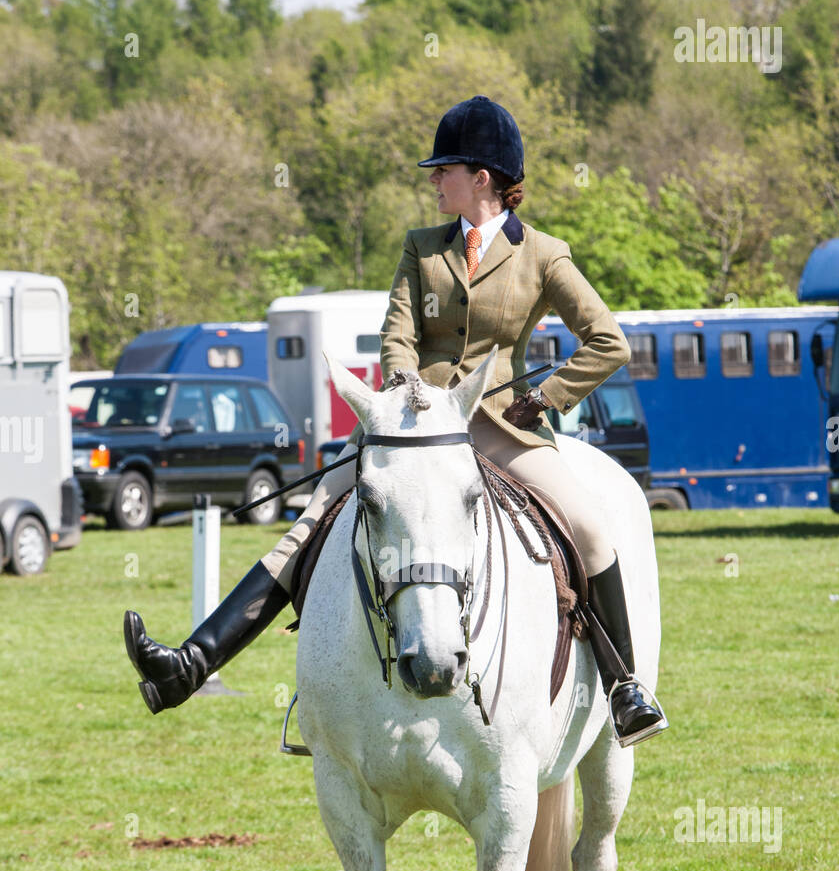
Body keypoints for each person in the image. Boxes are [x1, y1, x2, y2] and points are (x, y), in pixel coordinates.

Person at [125, 95, 666, 744]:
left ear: (483, 180)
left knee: (591, 530)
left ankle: (624, 686)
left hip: (498, 423)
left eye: (444, 171)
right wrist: (405, 383)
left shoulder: (544, 255)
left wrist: (547, 396)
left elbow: (608, 341)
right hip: (411, 425)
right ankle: (189, 665)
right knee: (303, 532)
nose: (434, 181)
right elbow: (396, 335)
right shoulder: (420, 248)